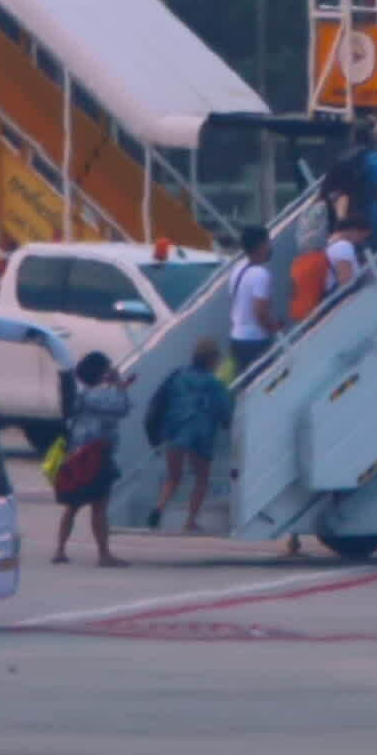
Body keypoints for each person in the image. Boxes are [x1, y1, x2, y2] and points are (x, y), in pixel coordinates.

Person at [48, 351, 132, 566]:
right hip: (97, 454)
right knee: (99, 506)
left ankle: (60, 549)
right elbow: (122, 408)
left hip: (76, 454)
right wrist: (119, 385)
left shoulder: (80, 393)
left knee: (72, 505)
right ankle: (104, 554)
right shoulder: (97, 395)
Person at [150, 340, 232, 534]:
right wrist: (227, 423)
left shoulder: (177, 376)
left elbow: (163, 400)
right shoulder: (214, 384)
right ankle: (190, 522)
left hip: (174, 430)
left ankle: (159, 508)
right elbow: (225, 410)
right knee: (201, 478)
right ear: (212, 360)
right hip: (200, 435)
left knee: (173, 477)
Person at [223, 226, 282, 375]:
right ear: (260, 246)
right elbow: (260, 313)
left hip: (237, 338)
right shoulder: (261, 274)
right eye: (268, 242)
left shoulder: (237, 269)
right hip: (255, 341)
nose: (270, 247)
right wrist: (273, 327)